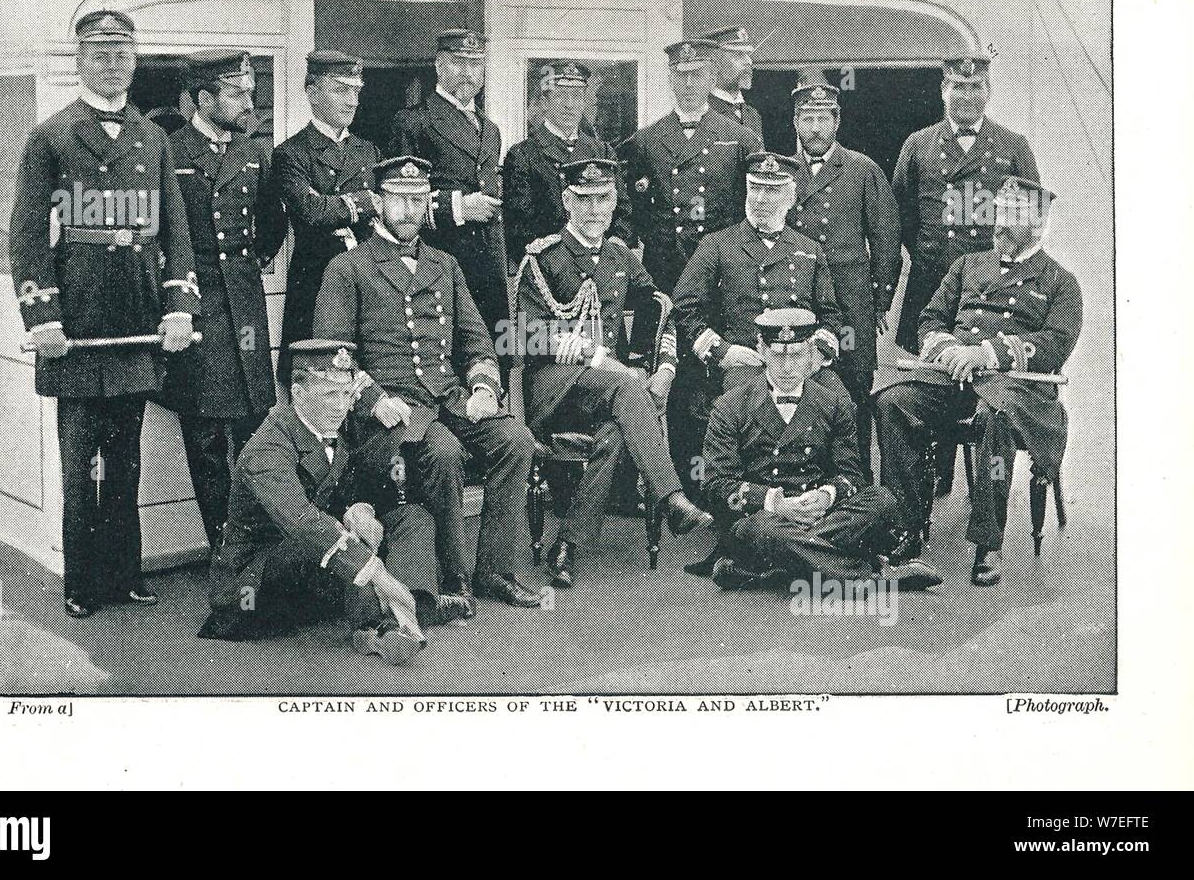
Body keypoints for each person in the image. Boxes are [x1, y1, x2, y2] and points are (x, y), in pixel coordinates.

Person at [8, 10, 199, 618]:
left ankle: (126, 572)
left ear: (135, 61)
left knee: (126, 457)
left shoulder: (153, 136)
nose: (112, 63)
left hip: (138, 316)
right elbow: (29, 234)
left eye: (122, 53)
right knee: (78, 460)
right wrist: (43, 317)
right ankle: (82, 582)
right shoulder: (53, 135)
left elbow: (175, 229)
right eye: (99, 53)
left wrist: (178, 306)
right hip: (81, 323)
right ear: (80, 60)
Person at [313, 156, 542, 609]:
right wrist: (373, 398)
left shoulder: (445, 264)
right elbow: (332, 355)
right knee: (443, 452)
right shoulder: (349, 267)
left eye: (418, 200)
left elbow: (477, 340)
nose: (410, 210)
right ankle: (454, 582)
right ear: (378, 203)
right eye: (399, 200)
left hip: (449, 400)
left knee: (516, 439)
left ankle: (495, 570)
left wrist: (481, 387)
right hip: (393, 414)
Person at [198, 341, 467, 665]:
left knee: (412, 517)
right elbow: (301, 521)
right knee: (329, 538)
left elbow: (345, 489)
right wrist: (377, 571)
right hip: (253, 588)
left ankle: (402, 615)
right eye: (329, 395)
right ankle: (377, 614)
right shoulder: (266, 447)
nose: (340, 406)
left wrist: (360, 508)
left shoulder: (332, 424)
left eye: (345, 394)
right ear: (297, 394)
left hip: (314, 569)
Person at [514, 158, 714, 587]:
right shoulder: (542, 257)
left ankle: (567, 546)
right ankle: (672, 497)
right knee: (626, 386)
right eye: (583, 200)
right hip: (555, 389)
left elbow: (661, 309)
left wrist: (665, 368)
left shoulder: (620, 255)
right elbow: (525, 336)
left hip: (613, 395)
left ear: (614, 202)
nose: (594, 210)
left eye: (603, 200)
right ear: (567, 201)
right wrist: (601, 359)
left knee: (615, 433)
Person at [875, 177, 1082, 585]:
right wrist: (946, 347)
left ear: (1039, 224)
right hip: (953, 380)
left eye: (1014, 216)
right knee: (892, 403)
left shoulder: (1060, 282)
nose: (1000, 225)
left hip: (1015, 389)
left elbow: (1054, 345)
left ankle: (989, 541)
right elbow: (930, 318)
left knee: (995, 417)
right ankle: (905, 528)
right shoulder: (968, 265)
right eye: (999, 214)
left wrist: (986, 354)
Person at [701, 310, 941, 591]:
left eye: (798, 355)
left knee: (883, 500)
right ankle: (872, 577)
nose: (788, 367)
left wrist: (826, 497)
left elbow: (853, 476)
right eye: (778, 355)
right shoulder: (730, 407)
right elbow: (715, 485)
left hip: (820, 515)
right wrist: (773, 503)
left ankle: (775, 568)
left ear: (812, 353)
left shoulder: (832, 403)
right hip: (765, 518)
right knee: (761, 531)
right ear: (761, 350)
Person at [672, 151, 851, 526]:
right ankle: (740, 519)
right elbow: (685, 309)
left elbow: (832, 315)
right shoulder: (717, 245)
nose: (763, 200)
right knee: (743, 404)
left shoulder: (809, 249)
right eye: (756, 190)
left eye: (774, 191)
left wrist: (816, 352)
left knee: (838, 399)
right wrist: (722, 352)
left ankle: (826, 505)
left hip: (802, 361)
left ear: (790, 196)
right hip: (747, 361)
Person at [161, 50, 286, 554]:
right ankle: (225, 549)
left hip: (246, 299)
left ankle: (265, 541)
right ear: (204, 97)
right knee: (208, 434)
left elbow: (273, 217)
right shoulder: (170, 150)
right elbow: (162, 233)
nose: (247, 102)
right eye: (237, 93)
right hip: (197, 300)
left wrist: (260, 256)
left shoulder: (253, 151)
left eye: (250, 91)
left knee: (257, 424)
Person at [787, 70, 901, 473]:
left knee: (853, 389)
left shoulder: (862, 169)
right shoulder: (780, 170)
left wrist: (879, 300)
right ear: (795, 122)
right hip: (798, 295)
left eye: (824, 119)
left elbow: (886, 236)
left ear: (837, 122)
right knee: (798, 385)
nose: (816, 129)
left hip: (851, 298)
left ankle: (857, 480)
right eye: (808, 119)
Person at [892, 51, 1040, 355]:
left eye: (976, 87)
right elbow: (900, 217)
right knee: (929, 374)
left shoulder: (1013, 146)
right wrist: (929, 249)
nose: (967, 96)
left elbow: (1031, 216)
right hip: (933, 278)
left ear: (989, 91)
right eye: (959, 87)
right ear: (944, 89)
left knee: (985, 369)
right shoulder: (918, 145)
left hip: (990, 284)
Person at [390, 30, 509, 347]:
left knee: (491, 358)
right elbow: (399, 201)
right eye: (459, 62)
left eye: (476, 64)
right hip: (441, 260)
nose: (469, 73)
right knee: (448, 356)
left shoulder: (491, 129)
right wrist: (458, 207)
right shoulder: (413, 122)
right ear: (439, 67)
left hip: (489, 265)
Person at [272, 50, 381, 388]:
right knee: (318, 382)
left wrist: (333, 205)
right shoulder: (292, 153)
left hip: (368, 280)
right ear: (312, 91)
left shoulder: (368, 151)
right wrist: (365, 202)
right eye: (340, 90)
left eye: (356, 90)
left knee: (370, 381)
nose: (352, 101)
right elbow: (309, 213)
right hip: (316, 283)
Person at [618, 38, 762, 293]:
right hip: (663, 270)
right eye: (680, 75)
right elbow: (629, 204)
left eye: (697, 74)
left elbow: (756, 206)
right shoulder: (645, 140)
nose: (689, 84)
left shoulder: (741, 138)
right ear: (670, 80)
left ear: (712, 77)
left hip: (721, 270)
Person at [502, 60, 633, 264]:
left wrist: (615, 245)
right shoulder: (523, 154)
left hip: (602, 265)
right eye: (561, 96)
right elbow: (519, 227)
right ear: (545, 102)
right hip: (551, 267)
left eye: (576, 96)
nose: (569, 105)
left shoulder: (603, 152)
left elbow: (623, 212)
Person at [704, 25, 764, 139]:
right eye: (738, 55)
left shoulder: (753, 115)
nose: (748, 61)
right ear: (715, 64)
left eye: (747, 55)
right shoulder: (702, 112)